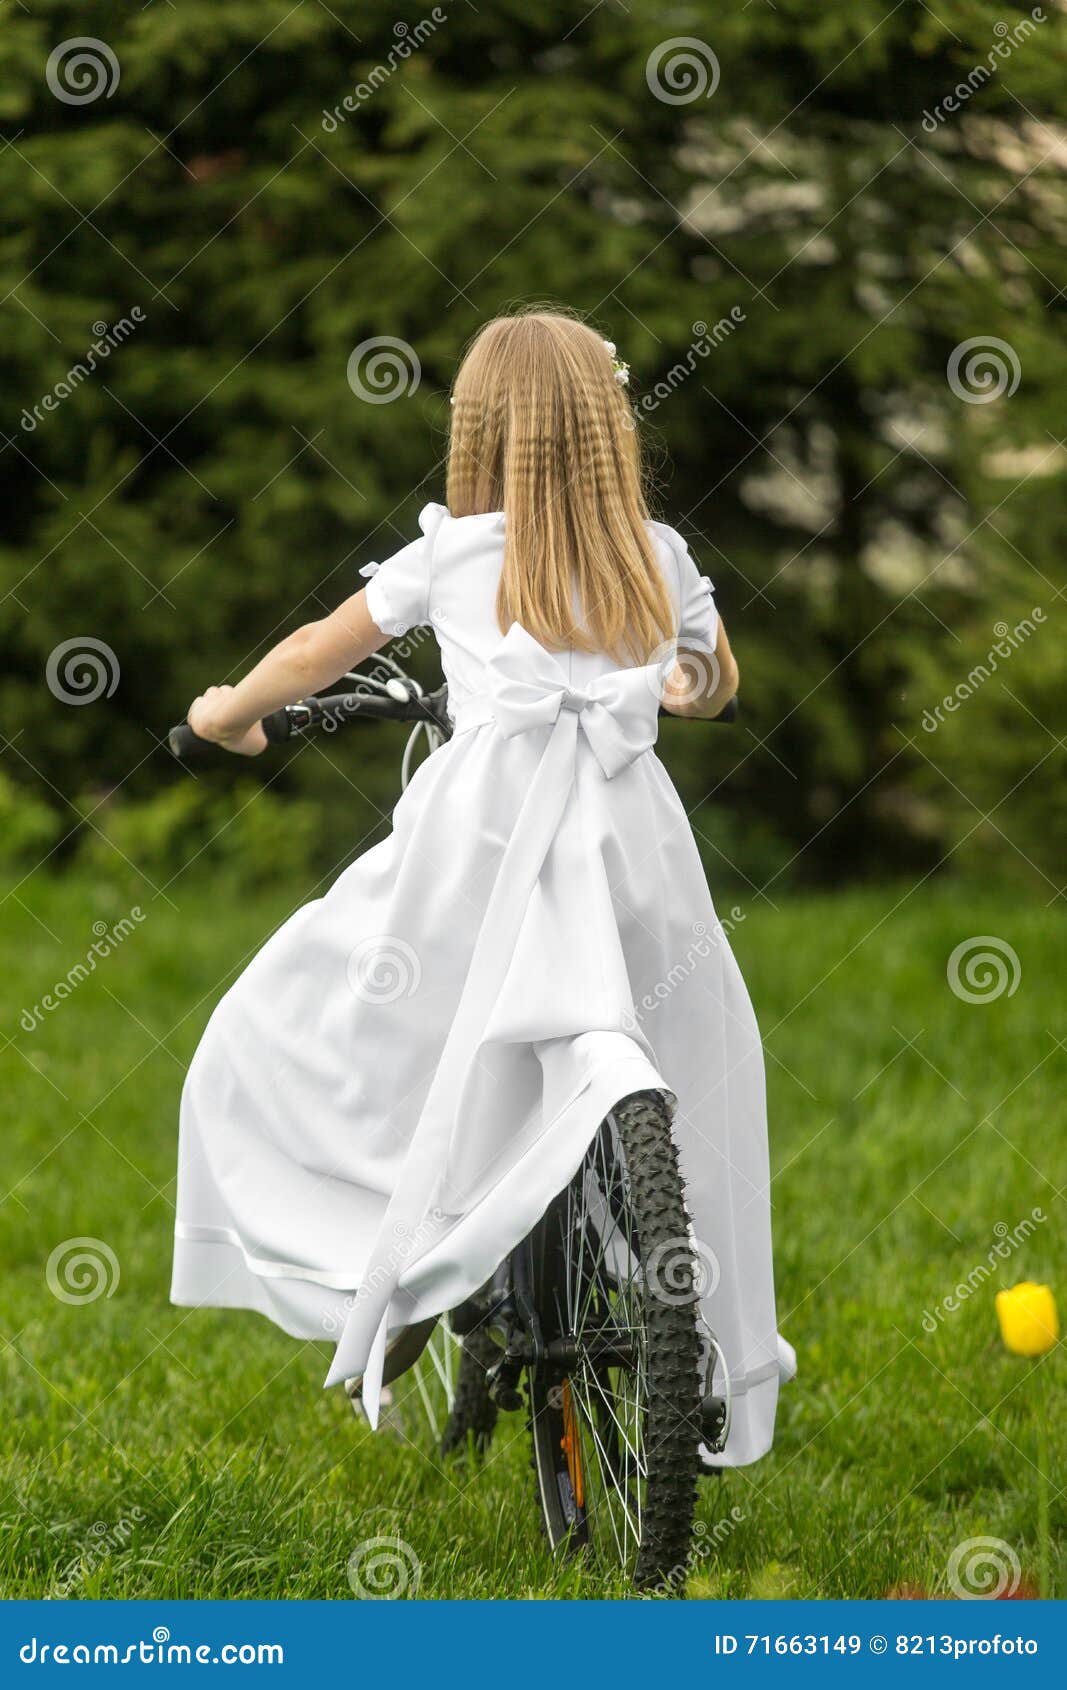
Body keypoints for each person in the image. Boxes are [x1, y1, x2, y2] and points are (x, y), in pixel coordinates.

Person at [171, 309, 792, 1465]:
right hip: (626, 856)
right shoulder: (656, 554)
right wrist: (666, 674)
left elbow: (317, 648)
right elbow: (710, 686)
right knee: (661, 1021)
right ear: (608, 428)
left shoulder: (454, 554)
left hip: (480, 851)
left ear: (482, 429)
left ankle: (394, 1255)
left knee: (336, 1015)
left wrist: (227, 710)